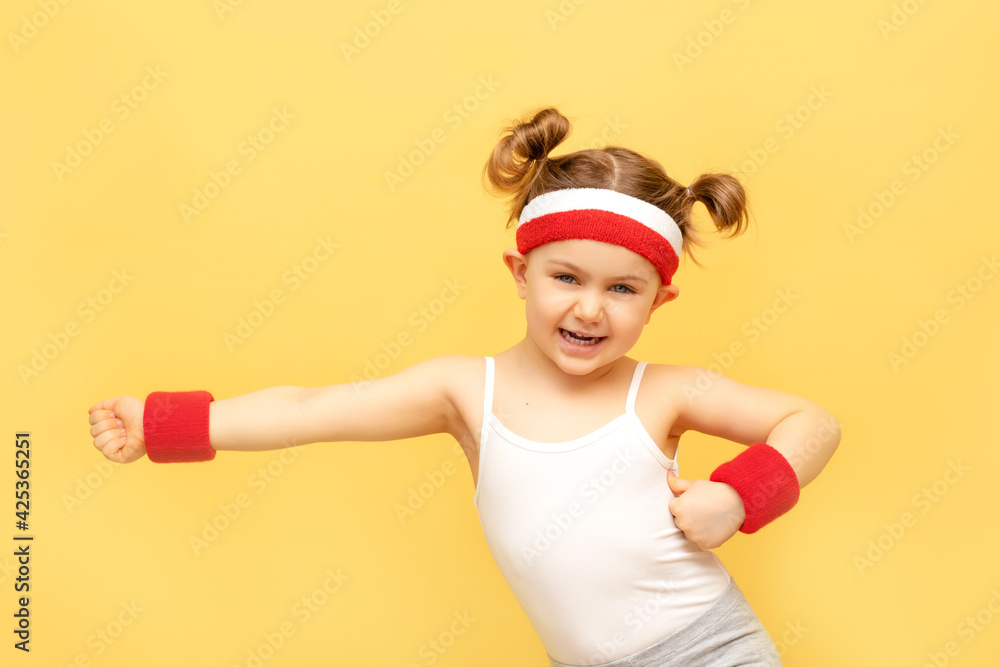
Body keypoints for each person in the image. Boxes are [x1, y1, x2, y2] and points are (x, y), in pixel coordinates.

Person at [88, 107, 840, 666]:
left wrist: (740, 495)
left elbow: (813, 422)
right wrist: (163, 425)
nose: (588, 306)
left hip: (713, 649)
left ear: (657, 302)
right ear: (521, 274)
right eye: (566, 277)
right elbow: (312, 408)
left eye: (622, 288)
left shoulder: (665, 391)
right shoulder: (463, 391)